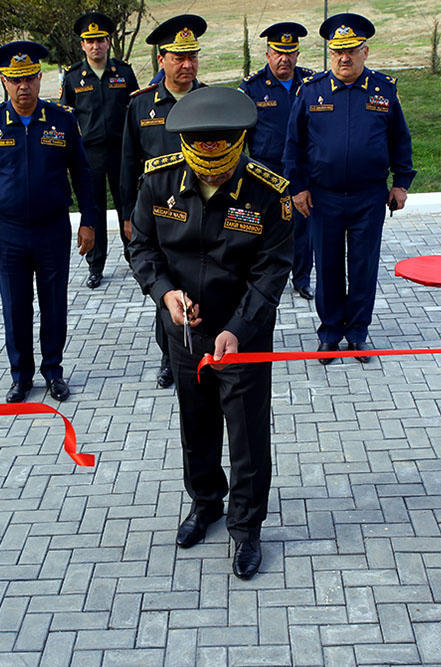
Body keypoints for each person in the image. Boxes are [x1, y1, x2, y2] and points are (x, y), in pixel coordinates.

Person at [128, 86, 293, 579]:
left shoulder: (269, 193)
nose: (214, 173)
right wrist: (164, 294)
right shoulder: (158, 182)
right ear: (187, 150)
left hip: (242, 336)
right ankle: (205, 504)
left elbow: (271, 273)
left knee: (246, 434)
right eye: (204, 166)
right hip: (183, 331)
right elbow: (142, 249)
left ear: (239, 145)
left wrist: (239, 329)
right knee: (196, 426)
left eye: (223, 166)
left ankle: (246, 528)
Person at [0, 41, 100, 403]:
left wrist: (89, 221)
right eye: (14, 80)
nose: (23, 87)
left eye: (29, 79)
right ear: (4, 81)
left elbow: (82, 174)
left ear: (40, 79)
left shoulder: (61, 119)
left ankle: (54, 372)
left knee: (53, 304)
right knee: (16, 306)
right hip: (9, 233)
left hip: (52, 229)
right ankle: (21, 376)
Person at [283, 13, 415, 364]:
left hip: (369, 197)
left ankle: (357, 333)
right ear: (330, 54)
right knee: (326, 266)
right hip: (323, 197)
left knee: (362, 266)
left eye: (352, 51)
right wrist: (297, 188)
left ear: (365, 53)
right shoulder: (311, 91)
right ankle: (329, 333)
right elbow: (293, 144)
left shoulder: (384, 91)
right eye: (338, 51)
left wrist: (401, 184)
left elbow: (400, 140)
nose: (344, 58)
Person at [121, 14, 207, 389]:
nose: (186, 65)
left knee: (202, 280)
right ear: (162, 60)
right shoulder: (141, 106)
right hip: (158, 213)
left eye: (192, 57)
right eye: (178, 57)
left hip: (204, 210)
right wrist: (127, 216)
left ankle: (204, 347)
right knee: (164, 283)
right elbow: (127, 165)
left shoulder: (210, 101)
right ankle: (170, 356)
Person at [60, 12, 139, 290]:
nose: (96, 46)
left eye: (100, 40)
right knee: (92, 209)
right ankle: (96, 265)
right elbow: (66, 117)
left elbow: (136, 112)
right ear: (83, 45)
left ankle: (137, 259)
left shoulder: (125, 73)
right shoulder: (73, 78)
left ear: (109, 42)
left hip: (121, 151)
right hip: (89, 154)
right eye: (90, 41)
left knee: (128, 204)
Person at [239, 22, 315, 301]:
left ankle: (302, 278)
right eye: (278, 52)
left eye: (290, 52)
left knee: (303, 227)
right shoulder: (252, 87)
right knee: (264, 228)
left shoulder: (310, 84)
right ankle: (264, 279)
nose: (285, 59)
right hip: (265, 170)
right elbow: (242, 136)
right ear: (268, 54)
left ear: (297, 54)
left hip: (300, 171)